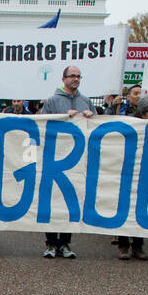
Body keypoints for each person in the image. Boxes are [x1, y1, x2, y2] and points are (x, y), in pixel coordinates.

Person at [38, 65, 93, 258]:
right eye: (72, 76)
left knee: (72, 200)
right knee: (53, 201)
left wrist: (91, 118)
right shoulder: (53, 101)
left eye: (79, 76)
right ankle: (51, 243)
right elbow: (41, 122)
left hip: (77, 160)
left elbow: (96, 128)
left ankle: (66, 243)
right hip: (55, 159)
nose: (76, 79)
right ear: (63, 79)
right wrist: (60, 118)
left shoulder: (85, 101)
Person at [114, 95, 148, 260]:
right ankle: (123, 245)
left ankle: (138, 246)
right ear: (142, 112)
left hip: (147, 172)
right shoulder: (131, 124)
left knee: (142, 208)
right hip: (128, 171)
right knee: (125, 207)